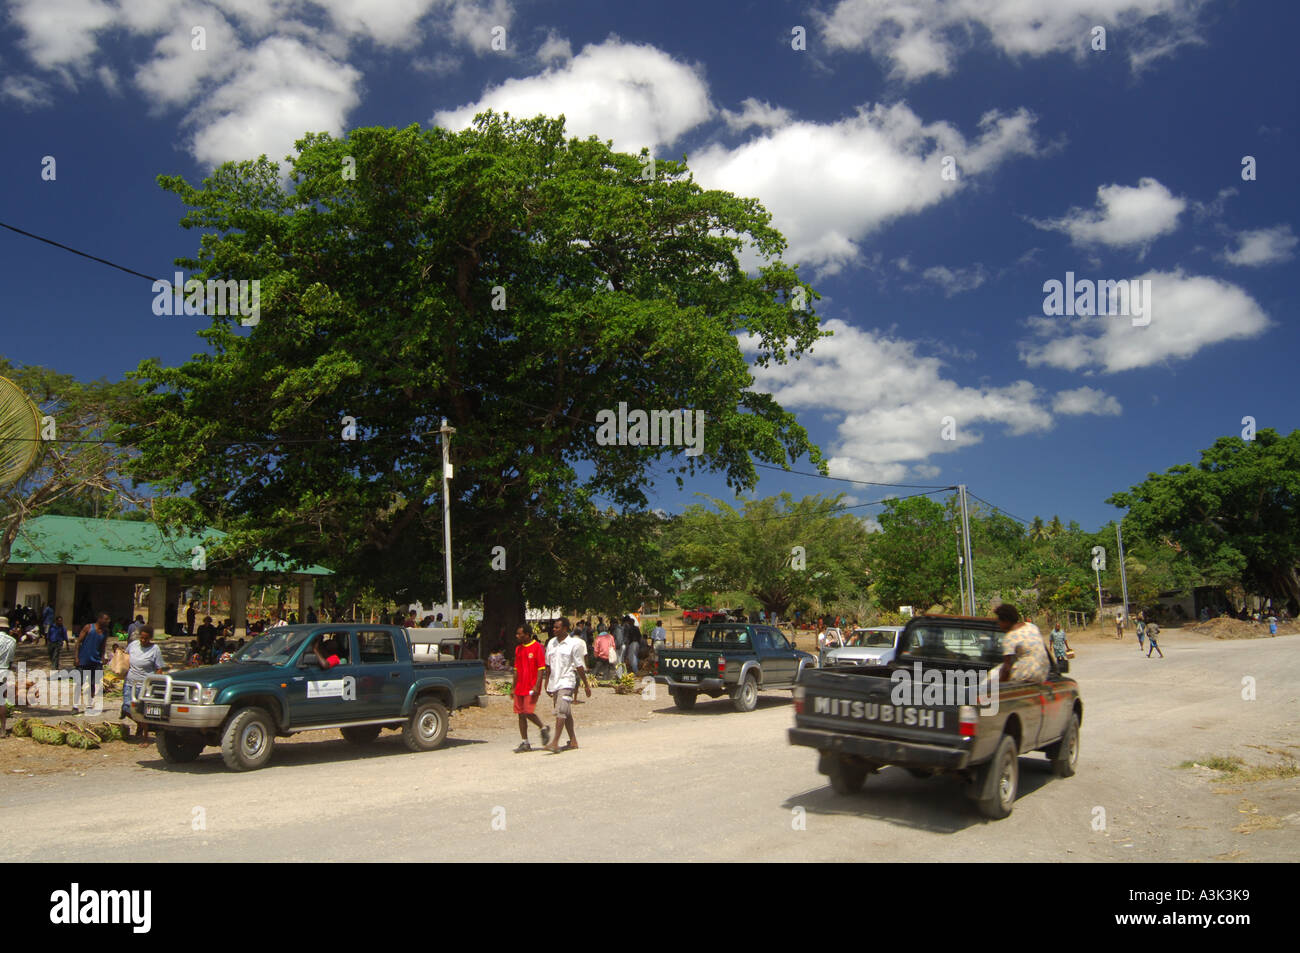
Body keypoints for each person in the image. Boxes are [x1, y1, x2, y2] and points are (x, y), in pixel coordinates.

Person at [542, 617, 590, 752]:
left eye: (557, 627)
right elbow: (548, 665)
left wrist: (586, 684)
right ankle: (573, 741)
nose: (554, 629)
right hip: (555, 682)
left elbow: (579, 665)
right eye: (554, 627)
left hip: (567, 682)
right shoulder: (551, 643)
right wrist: (547, 683)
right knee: (566, 713)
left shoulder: (573, 644)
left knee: (561, 711)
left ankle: (555, 742)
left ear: (564, 629)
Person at [122, 626, 167, 742]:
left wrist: (156, 683)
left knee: (143, 711)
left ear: (150, 638)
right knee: (126, 707)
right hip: (129, 683)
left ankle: (145, 736)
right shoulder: (133, 645)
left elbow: (159, 668)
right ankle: (142, 726)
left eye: (145, 638)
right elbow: (125, 657)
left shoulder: (155, 649)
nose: (143, 640)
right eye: (141, 638)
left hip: (144, 685)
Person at [511, 624, 550, 752]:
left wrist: (537, 685)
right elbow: (516, 669)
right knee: (520, 714)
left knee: (528, 711)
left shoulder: (537, 647)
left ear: (527, 634)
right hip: (520, 686)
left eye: (519, 634)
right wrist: (512, 687)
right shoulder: (518, 649)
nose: (517, 636)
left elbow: (541, 668)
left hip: (531, 686)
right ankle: (525, 742)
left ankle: (543, 727)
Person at [994, 604, 1048, 684]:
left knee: (995, 673)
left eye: (999, 620)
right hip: (1043, 672)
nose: (998, 623)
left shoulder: (1010, 637)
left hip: (1025, 674)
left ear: (1005, 620)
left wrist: (999, 686)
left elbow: (1006, 668)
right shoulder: (1031, 626)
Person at [74, 611, 110, 713]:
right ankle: (75, 706)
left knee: (94, 683)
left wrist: (103, 657)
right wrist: (76, 657)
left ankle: (89, 705)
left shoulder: (105, 632)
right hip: (83, 660)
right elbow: (78, 643)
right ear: (100, 619)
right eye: (106, 619)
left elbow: (103, 646)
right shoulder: (88, 628)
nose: (108, 621)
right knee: (79, 683)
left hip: (96, 661)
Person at [0, 617, 15, 738]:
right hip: (4, 671)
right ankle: (3, 729)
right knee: (2, 701)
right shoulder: (12, 641)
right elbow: (10, 661)